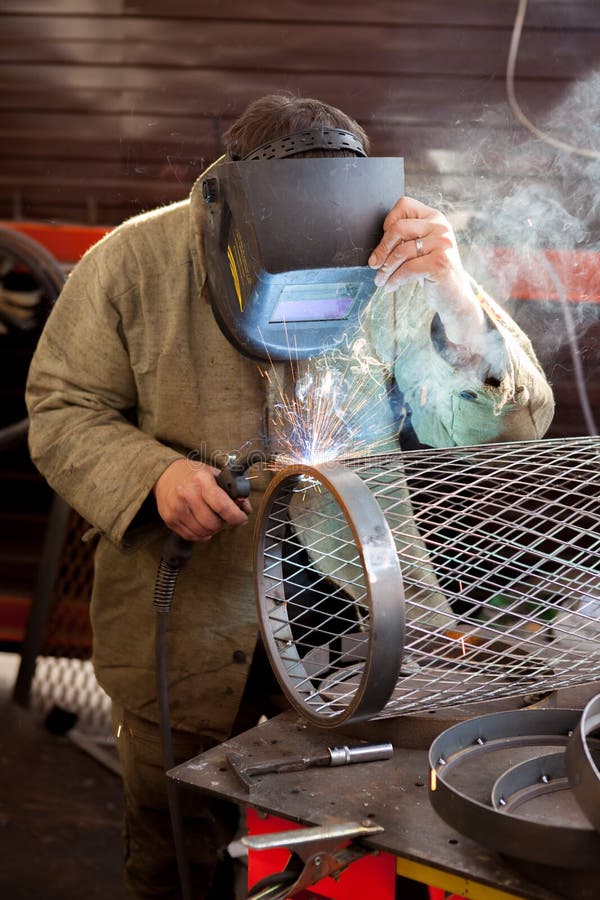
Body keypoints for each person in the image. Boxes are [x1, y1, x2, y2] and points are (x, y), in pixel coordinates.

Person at [25, 92, 554, 899]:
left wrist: (454, 296)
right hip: (189, 624)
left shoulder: (391, 258)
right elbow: (63, 406)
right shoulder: (133, 261)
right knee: (177, 851)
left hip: (359, 620)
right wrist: (152, 476)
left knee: (360, 846)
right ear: (232, 212)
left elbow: (500, 428)